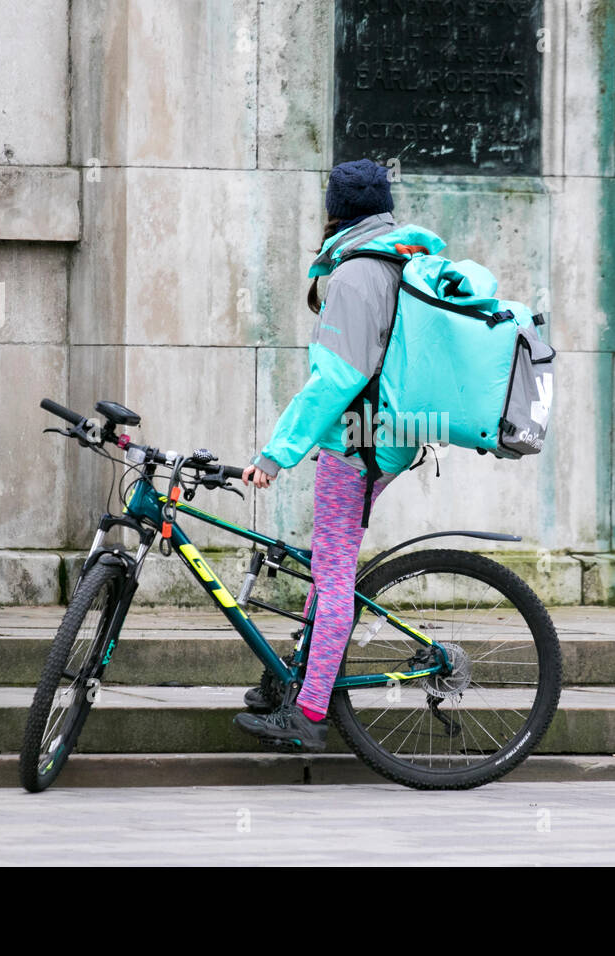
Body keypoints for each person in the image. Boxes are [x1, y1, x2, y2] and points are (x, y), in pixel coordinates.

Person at [234, 158, 439, 751]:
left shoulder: (355, 274)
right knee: (330, 564)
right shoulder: (401, 258)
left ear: (334, 212)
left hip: (356, 442)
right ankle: (290, 683)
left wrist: (276, 454)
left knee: (332, 573)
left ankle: (310, 712)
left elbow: (336, 378)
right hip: (387, 436)